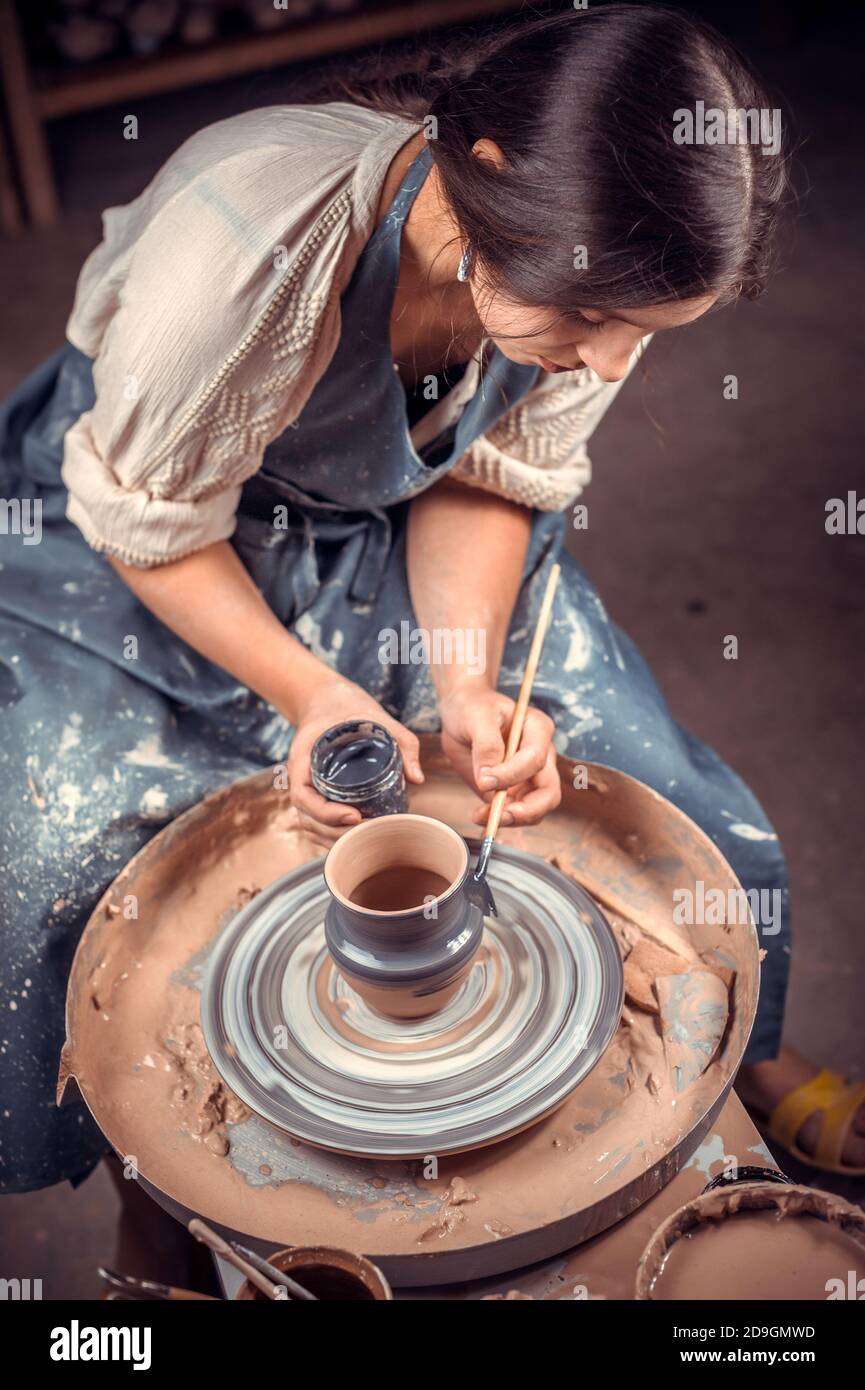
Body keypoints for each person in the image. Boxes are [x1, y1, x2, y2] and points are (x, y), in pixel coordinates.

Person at [2, 5, 862, 1199]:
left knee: (646, 788)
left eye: (643, 334)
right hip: (155, 521)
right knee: (58, 853)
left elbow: (481, 479)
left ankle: (744, 1062)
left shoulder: (616, 258)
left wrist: (463, 682)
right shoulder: (248, 243)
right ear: (497, 181)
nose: (611, 364)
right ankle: (156, 1203)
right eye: (595, 324)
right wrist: (314, 693)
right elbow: (148, 520)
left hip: (386, 515)